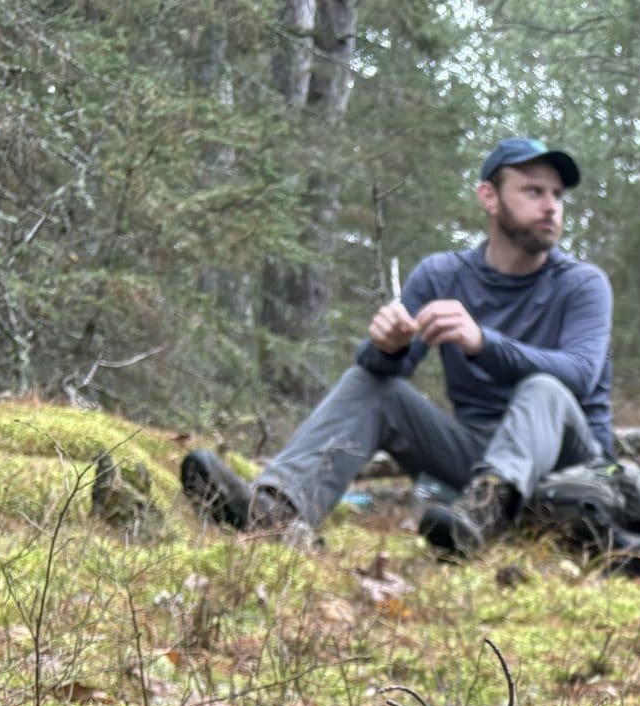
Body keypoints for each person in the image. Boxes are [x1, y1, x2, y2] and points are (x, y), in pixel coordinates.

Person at [180, 137, 616, 556]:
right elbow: (383, 371)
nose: (551, 207)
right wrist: (386, 346)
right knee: (370, 383)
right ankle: (276, 510)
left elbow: (579, 376)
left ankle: (488, 511)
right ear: (489, 196)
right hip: (475, 464)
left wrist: (482, 342)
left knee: (544, 390)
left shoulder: (582, 284)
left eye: (557, 195)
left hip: (570, 473)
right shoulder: (443, 275)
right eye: (534, 191)